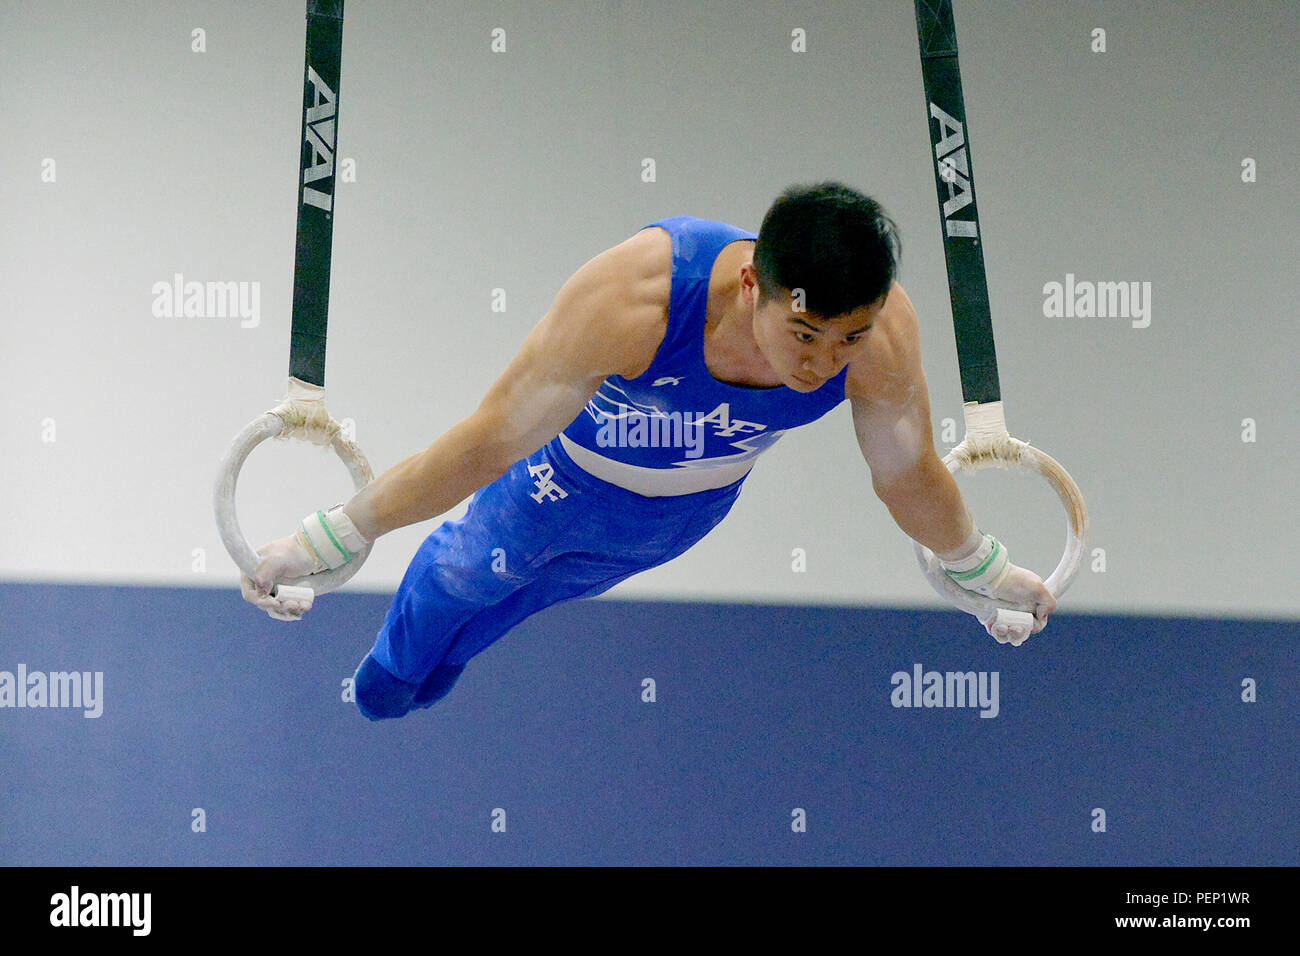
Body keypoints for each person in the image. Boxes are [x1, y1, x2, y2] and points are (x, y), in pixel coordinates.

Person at [240, 181, 1056, 720]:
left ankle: (438, 659)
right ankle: (387, 671)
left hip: (682, 516)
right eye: (803, 333)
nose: (820, 364)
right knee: (465, 577)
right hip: (557, 484)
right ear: (749, 288)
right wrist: (332, 536)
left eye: (847, 337)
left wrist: (979, 566)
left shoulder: (880, 339)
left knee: (527, 601)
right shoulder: (638, 298)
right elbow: (488, 441)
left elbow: (906, 476)